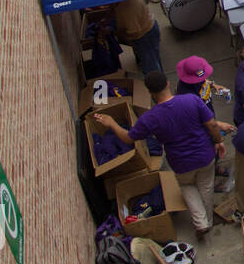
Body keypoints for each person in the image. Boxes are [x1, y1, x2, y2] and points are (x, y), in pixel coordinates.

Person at [95, 72, 226, 240]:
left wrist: (112, 123)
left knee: (187, 187)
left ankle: (201, 223)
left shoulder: (150, 118)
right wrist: (218, 141)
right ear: (168, 84)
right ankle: (207, 220)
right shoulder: (191, 100)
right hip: (205, 155)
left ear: (150, 92)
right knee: (206, 187)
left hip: (180, 163)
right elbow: (212, 124)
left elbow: (129, 138)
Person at [111, 0, 162, 75]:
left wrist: (114, 33)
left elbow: (133, 32)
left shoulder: (128, 9)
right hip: (144, 28)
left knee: (151, 66)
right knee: (151, 58)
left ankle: (157, 84)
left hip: (144, 35)